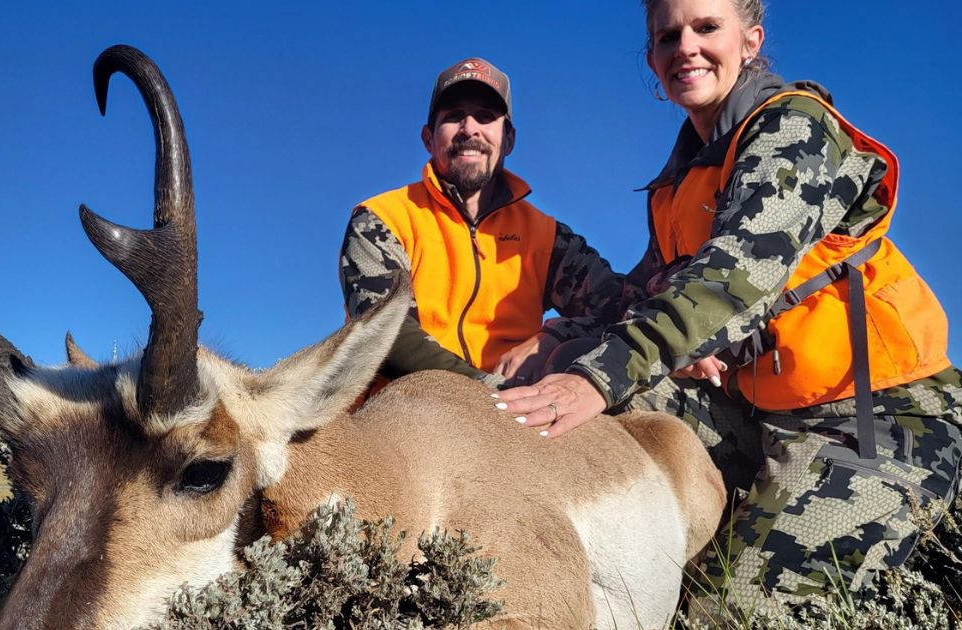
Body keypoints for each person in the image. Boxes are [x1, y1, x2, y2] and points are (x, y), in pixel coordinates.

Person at [497, 0, 962, 618]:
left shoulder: (793, 128)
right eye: (667, 37)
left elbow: (735, 280)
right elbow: (644, 297)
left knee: (732, 614)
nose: (684, 47)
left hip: (875, 417)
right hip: (758, 413)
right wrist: (559, 338)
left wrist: (595, 375)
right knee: (573, 365)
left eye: (706, 27)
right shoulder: (679, 183)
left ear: (750, 41)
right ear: (654, 60)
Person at [340, 58, 626, 389]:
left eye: (486, 117)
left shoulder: (546, 237)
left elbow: (618, 309)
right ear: (428, 138)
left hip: (517, 418)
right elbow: (387, 333)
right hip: (406, 413)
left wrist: (554, 333)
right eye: (453, 117)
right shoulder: (381, 219)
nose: (469, 129)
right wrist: (492, 394)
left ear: (508, 139)